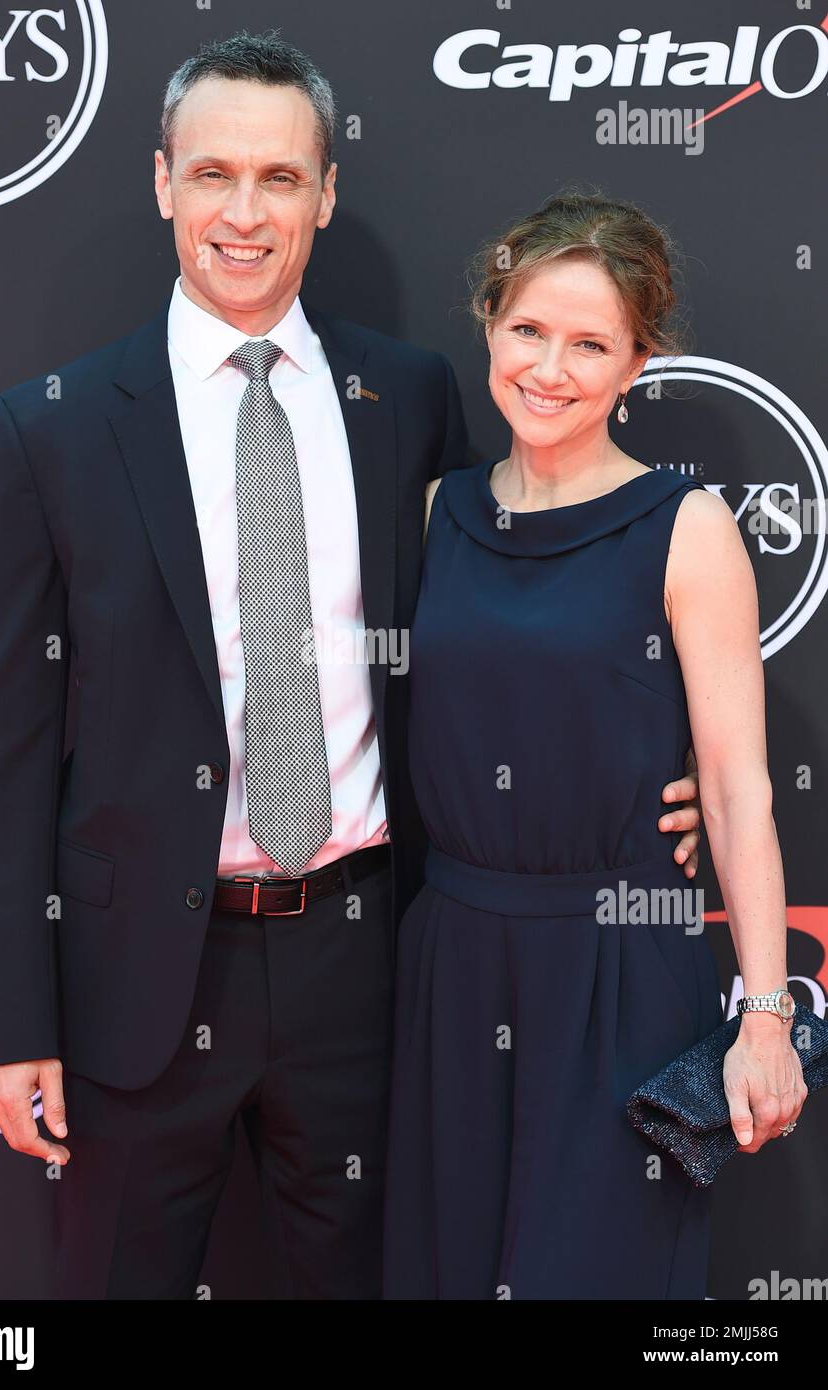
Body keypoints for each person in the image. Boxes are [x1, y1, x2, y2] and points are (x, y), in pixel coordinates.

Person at [0, 32, 701, 1301]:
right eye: (214, 175)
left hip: (367, 967)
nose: (245, 215)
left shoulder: (405, 398)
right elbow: (0, 753)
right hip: (135, 984)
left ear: (327, 195)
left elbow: (504, 632)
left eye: (281, 179)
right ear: (160, 183)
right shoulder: (52, 428)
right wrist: (14, 1025)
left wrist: (643, 787)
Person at [382, 192, 808, 1300]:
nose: (550, 368)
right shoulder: (437, 512)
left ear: (636, 364)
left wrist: (764, 1016)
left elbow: (734, 788)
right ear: (488, 323)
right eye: (528, 329)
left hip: (621, 960)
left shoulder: (686, 524)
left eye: (590, 344)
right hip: (454, 963)